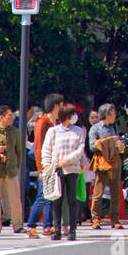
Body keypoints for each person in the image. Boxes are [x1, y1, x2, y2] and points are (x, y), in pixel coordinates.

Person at [41, 103, 86, 242]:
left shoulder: (78, 131)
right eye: (72, 114)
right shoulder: (53, 131)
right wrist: (47, 166)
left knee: (72, 199)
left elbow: (80, 150)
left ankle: (72, 230)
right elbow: (46, 149)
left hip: (72, 169)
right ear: (66, 116)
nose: (74, 117)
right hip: (56, 170)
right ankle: (57, 230)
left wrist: (66, 160)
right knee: (56, 200)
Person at [26, 93, 62, 239]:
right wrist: (41, 168)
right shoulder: (43, 122)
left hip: (53, 164)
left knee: (50, 197)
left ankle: (47, 225)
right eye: (61, 105)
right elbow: (38, 146)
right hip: (46, 165)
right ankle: (31, 226)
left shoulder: (54, 122)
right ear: (55, 106)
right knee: (42, 196)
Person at [88, 103, 125, 231]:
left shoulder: (113, 127)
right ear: (108, 114)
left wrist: (119, 145)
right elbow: (92, 146)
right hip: (102, 162)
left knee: (115, 193)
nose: (115, 116)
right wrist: (109, 140)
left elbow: (116, 143)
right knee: (98, 192)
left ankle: (115, 220)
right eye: (114, 113)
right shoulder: (95, 128)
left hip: (114, 161)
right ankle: (96, 219)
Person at [0, 106, 23, 234]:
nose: (12, 118)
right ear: (1, 117)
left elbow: (19, 151)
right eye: (9, 115)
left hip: (11, 170)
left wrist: (16, 166)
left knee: (15, 198)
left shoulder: (15, 132)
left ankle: (18, 224)